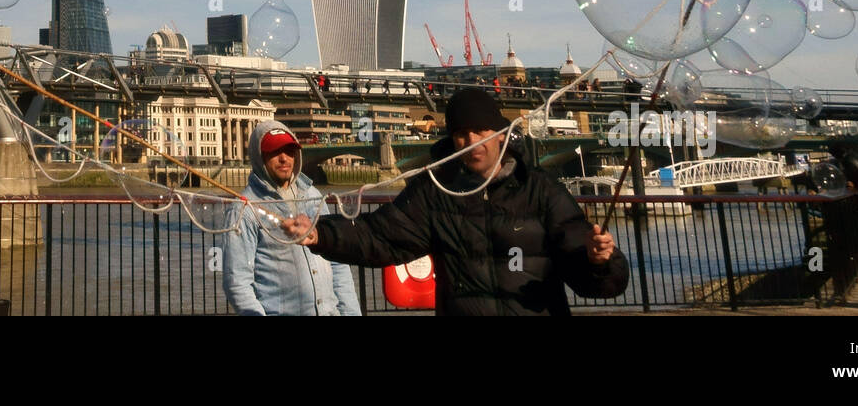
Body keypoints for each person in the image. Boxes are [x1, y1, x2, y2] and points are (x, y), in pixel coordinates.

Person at [283, 88, 629, 315]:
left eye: (481, 131)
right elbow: (381, 237)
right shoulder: (436, 191)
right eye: (462, 133)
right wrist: (321, 234)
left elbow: (589, 277)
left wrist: (600, 260)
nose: (471, 141)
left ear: (499, 134)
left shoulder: (540, 190)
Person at [222, 121, 361, 316]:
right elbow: (237, 282)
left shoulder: (313, 196)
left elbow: (338, 264)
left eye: (289, 151)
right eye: (274, 151)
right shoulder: (244, 210)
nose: (284, 158)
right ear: (259, 156)